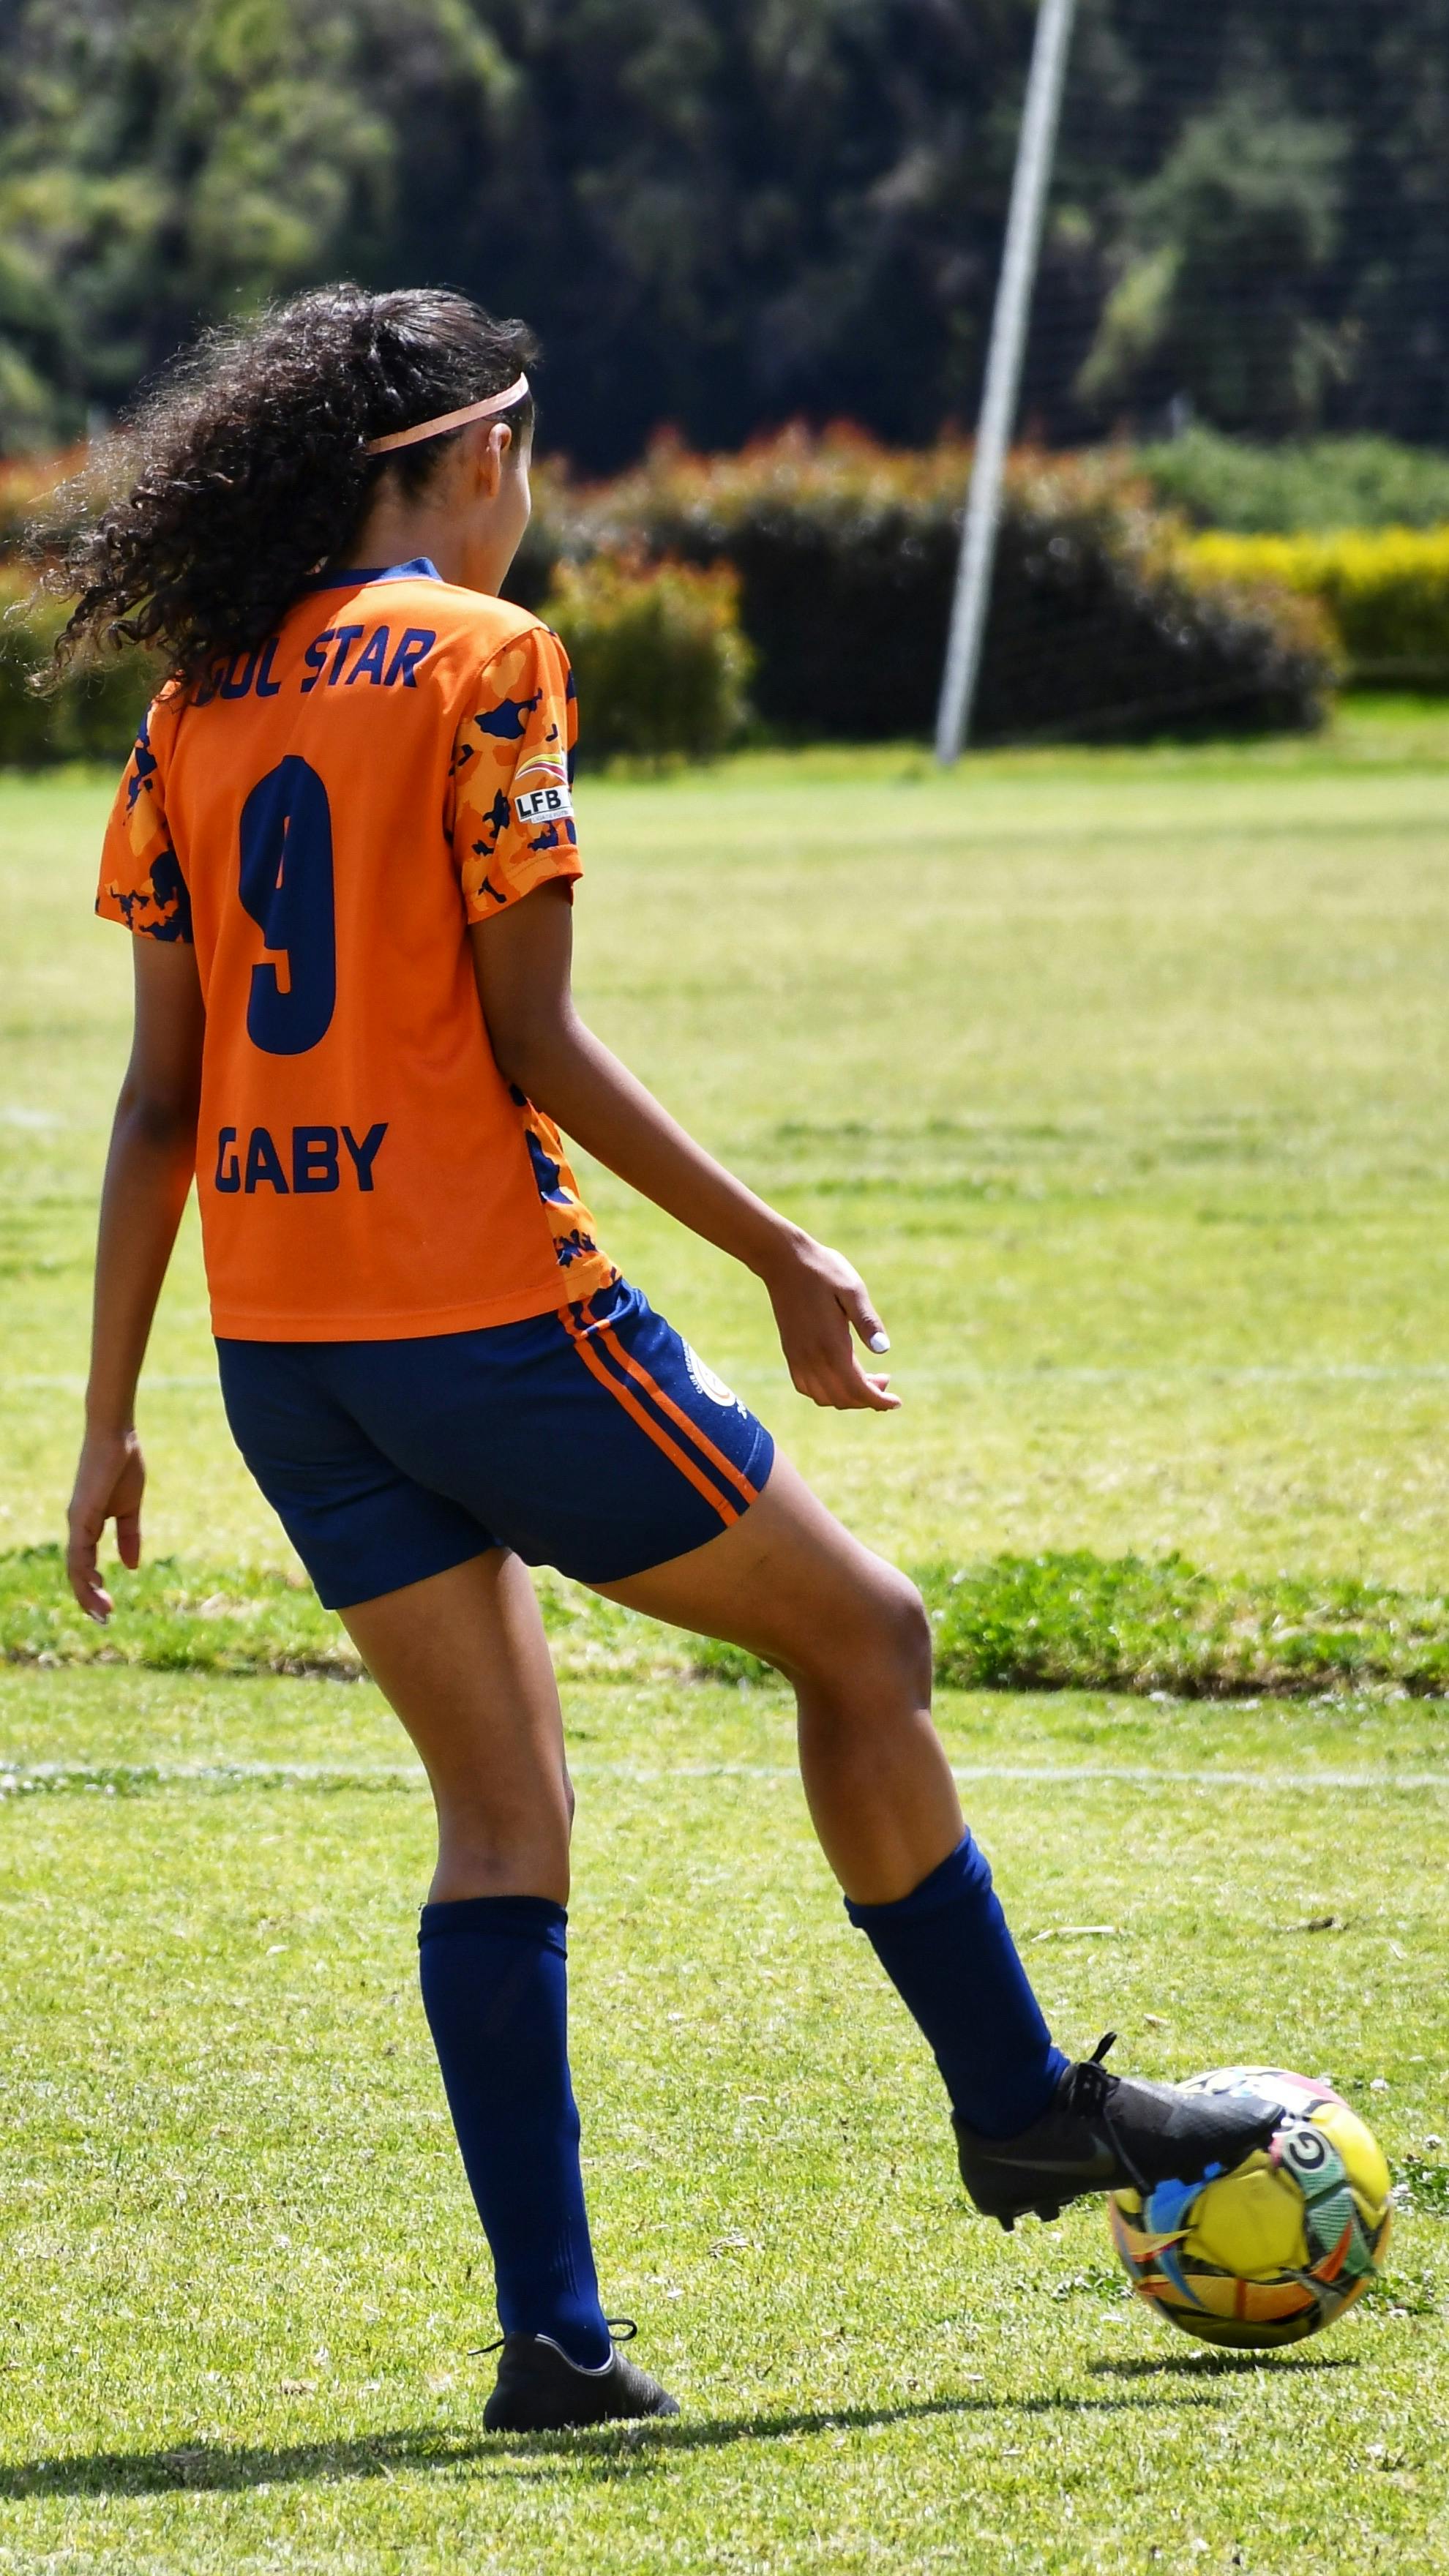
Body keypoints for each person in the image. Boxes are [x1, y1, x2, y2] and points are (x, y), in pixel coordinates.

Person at [53, 285, 1277, 2434]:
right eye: (524, 448)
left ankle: (556, 2342)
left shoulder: (193, 701)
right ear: (470, 455)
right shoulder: (481, 659)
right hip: (492, 1326)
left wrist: (101, 1425)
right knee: (867, 1641)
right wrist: (781, 1249)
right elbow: (531, 1037)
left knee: (502, 1814)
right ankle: (1012, 2106)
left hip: (291, 1358)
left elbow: (160, 1106)